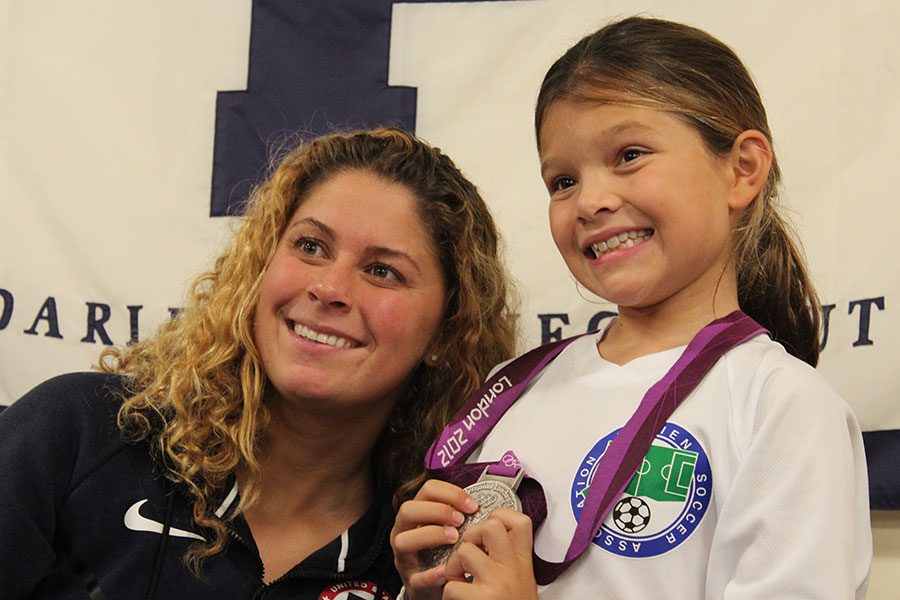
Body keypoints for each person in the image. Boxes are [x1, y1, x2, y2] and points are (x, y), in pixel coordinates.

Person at [391, 16, 872, 599]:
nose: (590, 200)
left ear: (742, 169)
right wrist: (430, 584)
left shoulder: (782, 406)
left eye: (630, 154)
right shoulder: (512, 388)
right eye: (562, 181)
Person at [0, 127, 518, 599]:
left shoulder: (425, 559)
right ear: (260, 265)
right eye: (311, 246)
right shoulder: (79, 433)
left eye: (382, 271)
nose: (329, 288)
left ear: (448, 331)